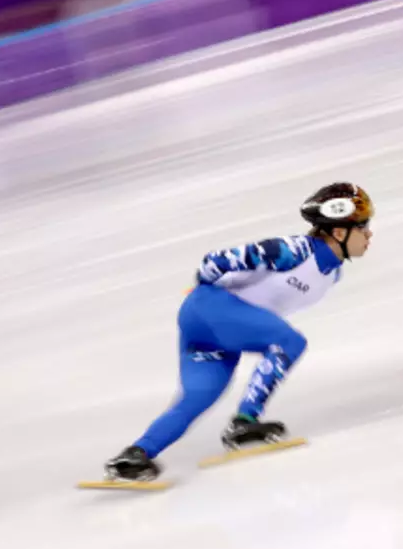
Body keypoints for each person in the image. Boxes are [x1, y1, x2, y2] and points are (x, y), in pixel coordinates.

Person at [101, 183, 374, 482]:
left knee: (197, 398)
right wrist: (206, 287)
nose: (369, 234)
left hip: (213, 329)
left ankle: (136, 454)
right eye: (363, 227)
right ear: (338, 232)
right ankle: (244, 421)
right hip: (213, 308)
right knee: (290, 342)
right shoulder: (294, 251)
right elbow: (215, 261)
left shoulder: (332, 274)